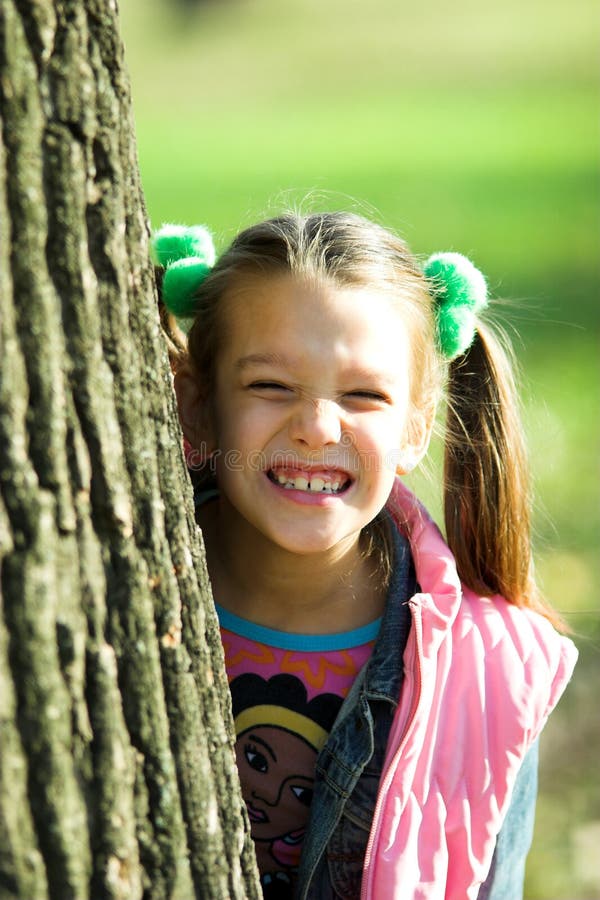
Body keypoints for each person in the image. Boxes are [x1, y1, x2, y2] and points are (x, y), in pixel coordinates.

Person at [152, 212, 577, 899]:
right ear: (198, 404)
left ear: (415, 428)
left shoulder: (488, 672)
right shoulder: (126, 605)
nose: (318, 428)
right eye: (269, 386)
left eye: (363, 395)